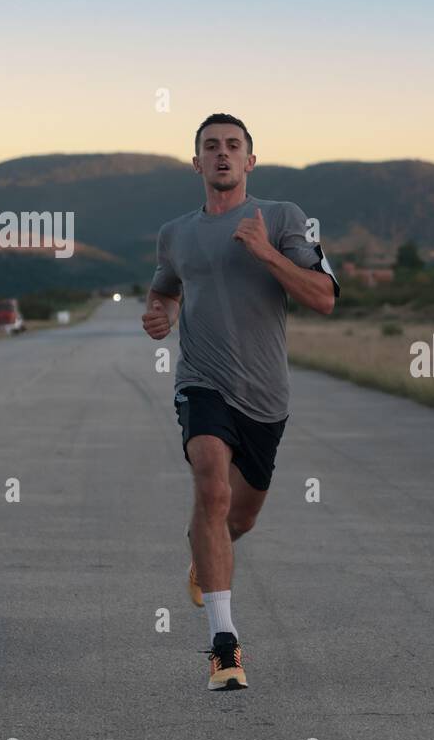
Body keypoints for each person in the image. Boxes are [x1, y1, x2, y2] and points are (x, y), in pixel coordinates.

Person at [142, 113, 338, 690]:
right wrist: (161, 314)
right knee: (211, 482)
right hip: (201, 380)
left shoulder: (283, 219)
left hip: (266, 396)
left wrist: (267, 254)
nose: (222, 154)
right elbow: (165, 288)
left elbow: (324, 298)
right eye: (211, 147)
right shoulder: (175, 233)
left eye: (233, 146)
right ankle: (223, 647)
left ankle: (206, 559)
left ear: (250, 161)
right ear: (196, 162)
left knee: (238, 517)